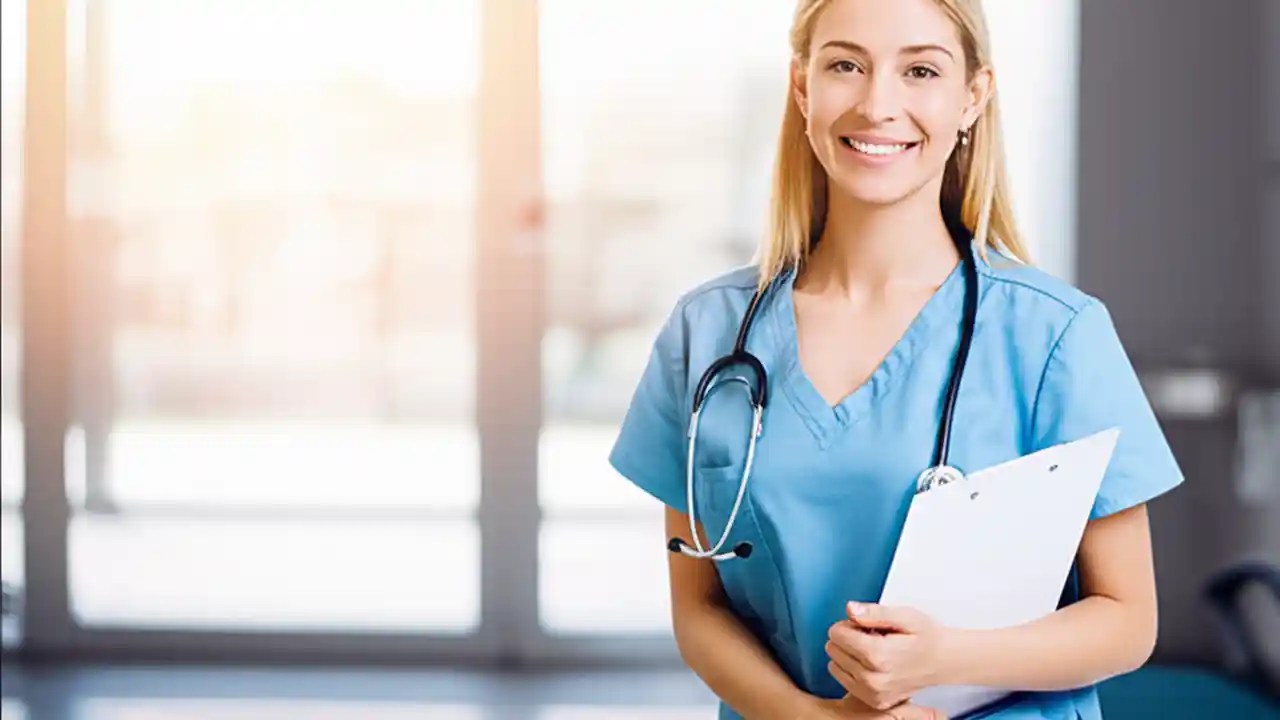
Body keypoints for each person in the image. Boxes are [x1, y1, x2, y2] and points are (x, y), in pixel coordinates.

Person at [607, 0, 1185, 718]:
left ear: (972, 97)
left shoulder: (1054, 335)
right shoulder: (709, 332)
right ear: (801, 88)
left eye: (920, 70)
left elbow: (1128, 620)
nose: (879, 104)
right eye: (846, 65)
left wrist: (947, 656)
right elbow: (699, 610)